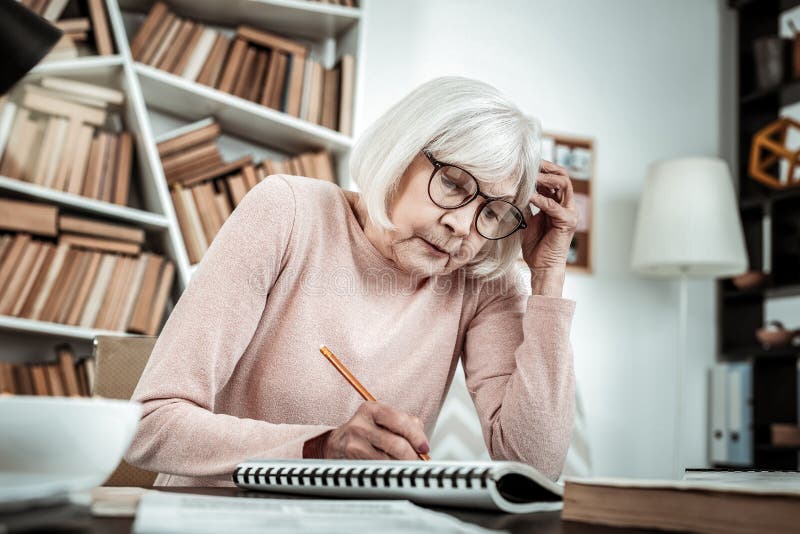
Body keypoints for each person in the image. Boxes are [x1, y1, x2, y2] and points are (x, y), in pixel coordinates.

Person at [125, 76, 578, 486]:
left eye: (493, 212)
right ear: (401, 154)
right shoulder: (287, 211)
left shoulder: (481, 278)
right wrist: (321, 449)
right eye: (455, 185)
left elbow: (534, 466)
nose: (463, 225)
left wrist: (548, 278)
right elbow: (152, 424)